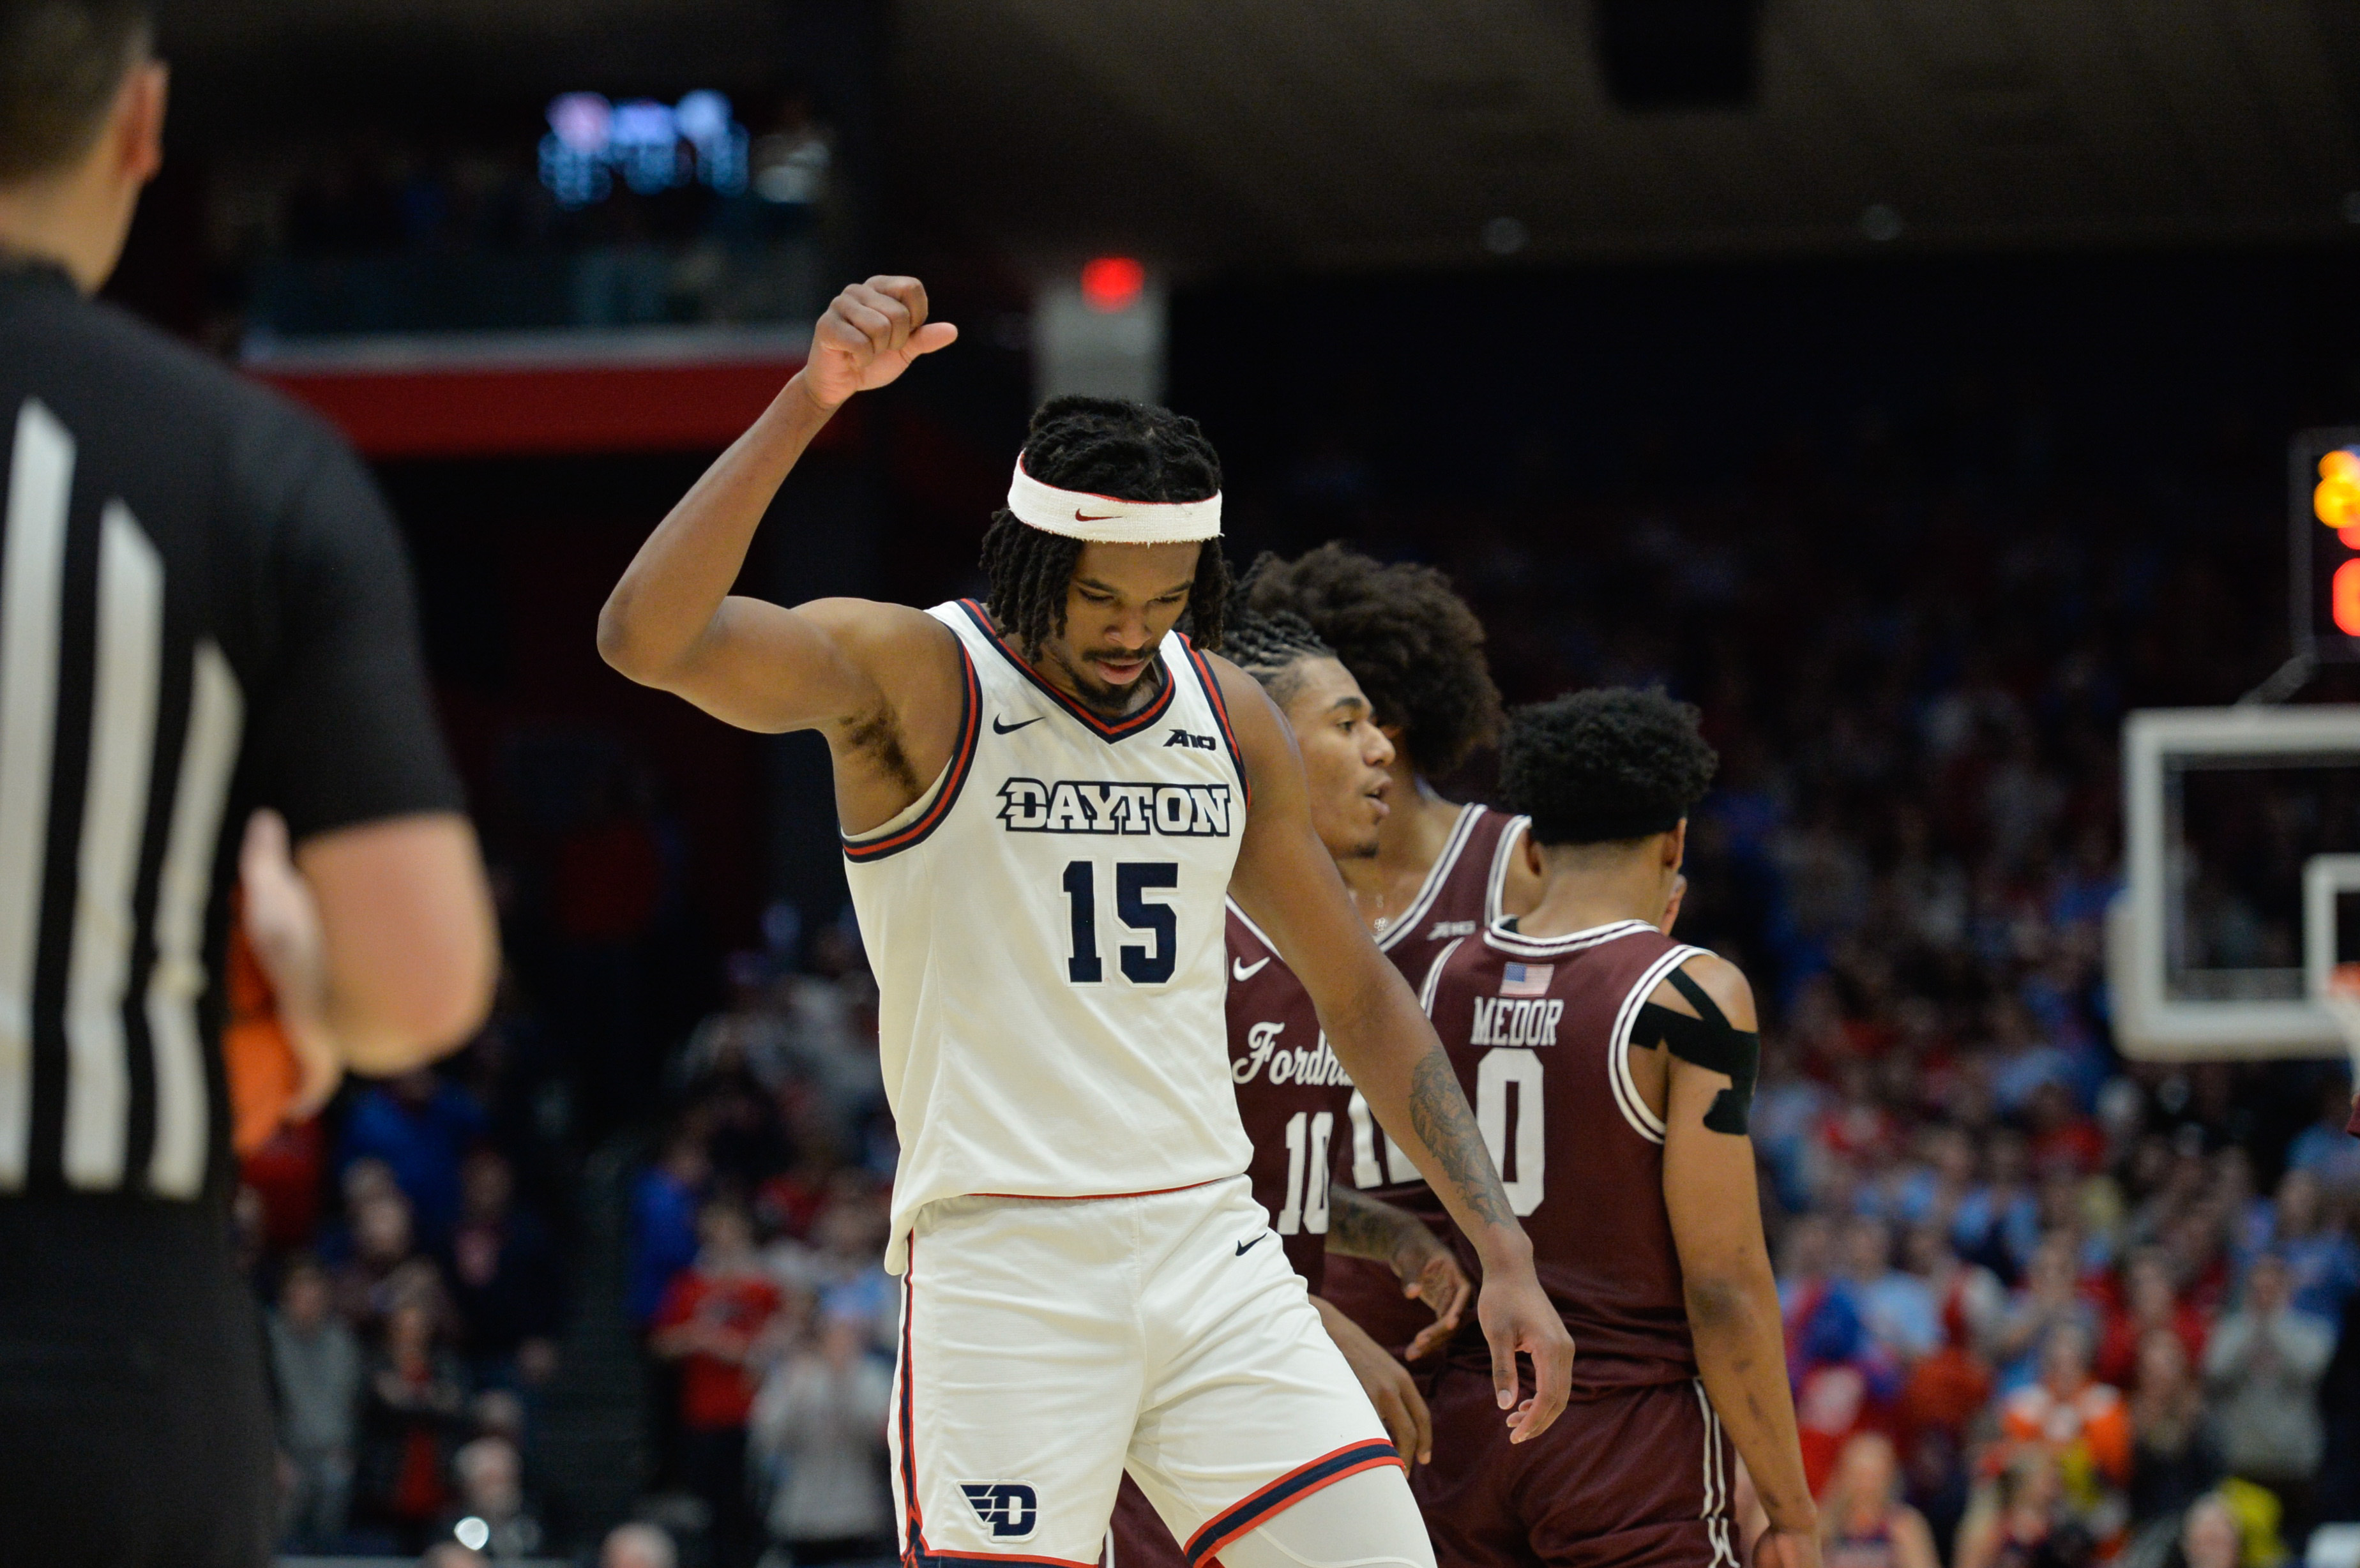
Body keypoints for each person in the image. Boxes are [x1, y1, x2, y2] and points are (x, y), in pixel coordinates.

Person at [598, 278, 1571, 1568]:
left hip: (1209, 1244)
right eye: (1103, 598)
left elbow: (1359, 992)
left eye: (1165, 601)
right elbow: (644, 637)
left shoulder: (1225, 713)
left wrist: (1501, 1245)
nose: (1133, 633)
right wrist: (809, 401)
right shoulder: (918, 678)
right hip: (1008, 1262)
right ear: (1032, 558)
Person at [0, 5, 499, 1562]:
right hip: (98, 1339)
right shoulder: (248, 468)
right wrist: (305, 987)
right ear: (140, 123)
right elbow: (420, 987)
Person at [1103, 599, 1478, 1566]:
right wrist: (1324, 1322)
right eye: (1346, 724)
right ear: (1258, 742)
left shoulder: (1322, 946)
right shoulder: (1189, 933)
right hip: (1172, 1378)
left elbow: (1272, 1175)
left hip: (1258, 1354)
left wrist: (1388, 1234)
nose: (1382, 749)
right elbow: (1136, 1197)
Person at [1408, 689, 1817, 1568]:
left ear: (1530, 844)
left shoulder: (1442, 977)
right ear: (1675, 842)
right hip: (1626, 1440)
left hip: (1470, 1426)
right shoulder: (1690, 992)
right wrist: (1790, 1510)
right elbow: (1723, 1284)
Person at [1241, 544, 1543, 1360]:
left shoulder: (1510, 862)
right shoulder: (1246, 898)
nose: (1376, 743)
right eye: (1347, 722)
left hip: (1491, 1256)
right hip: (1311, 1280)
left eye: (1371, 717)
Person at [649, 1198, 783, 1568]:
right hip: (703, 1411)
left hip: (752, 1411)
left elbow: (779, 1339)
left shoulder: (762, 1287)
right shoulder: (690, 1286)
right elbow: (661, 1342)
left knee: (748, 1502)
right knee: (711, 1505)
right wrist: (696, 1338)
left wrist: (736, 1350)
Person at [2202, 1251, 2334, 1543]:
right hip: (2244, 1462)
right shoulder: (2232, 1330)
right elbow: (2215, 1369)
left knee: (2295, 1547)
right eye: (2258, 1289)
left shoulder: (2309, 1331)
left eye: (2271, 1289)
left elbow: (2311, 1368)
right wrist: (2253, 1326)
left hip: (2296, 1465)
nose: (2264, 1297)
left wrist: (2273, 1323)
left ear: (2286, 1290)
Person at [750, 1307, 896, 1563]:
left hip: (859, 1513)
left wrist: (844, 1382)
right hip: (802, 1514)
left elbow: (883, 1439)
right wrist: (795, 1389)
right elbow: (767, 1438)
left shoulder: (873, 1378)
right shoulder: (798, 1375)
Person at [268, 1253, 366, 1549]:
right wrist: (273, 1454)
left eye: (316, 1288)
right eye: (301, 1288)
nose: (310, 1297)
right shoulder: (268, 1340)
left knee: (335, 1489)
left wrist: (349, 1450)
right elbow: (258, 1406)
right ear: (286, 1294)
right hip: (284, 1456)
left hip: (334, 1455)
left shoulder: (343, 1342)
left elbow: (355, 1404)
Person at [1819, 1435, 1940, 1568]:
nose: (1866, 1485)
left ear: (1889, 1477)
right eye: (1859, 1476)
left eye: (1874, 1477)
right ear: (1843, 1476)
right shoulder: (1827, 1526)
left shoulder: (1904, 1525)